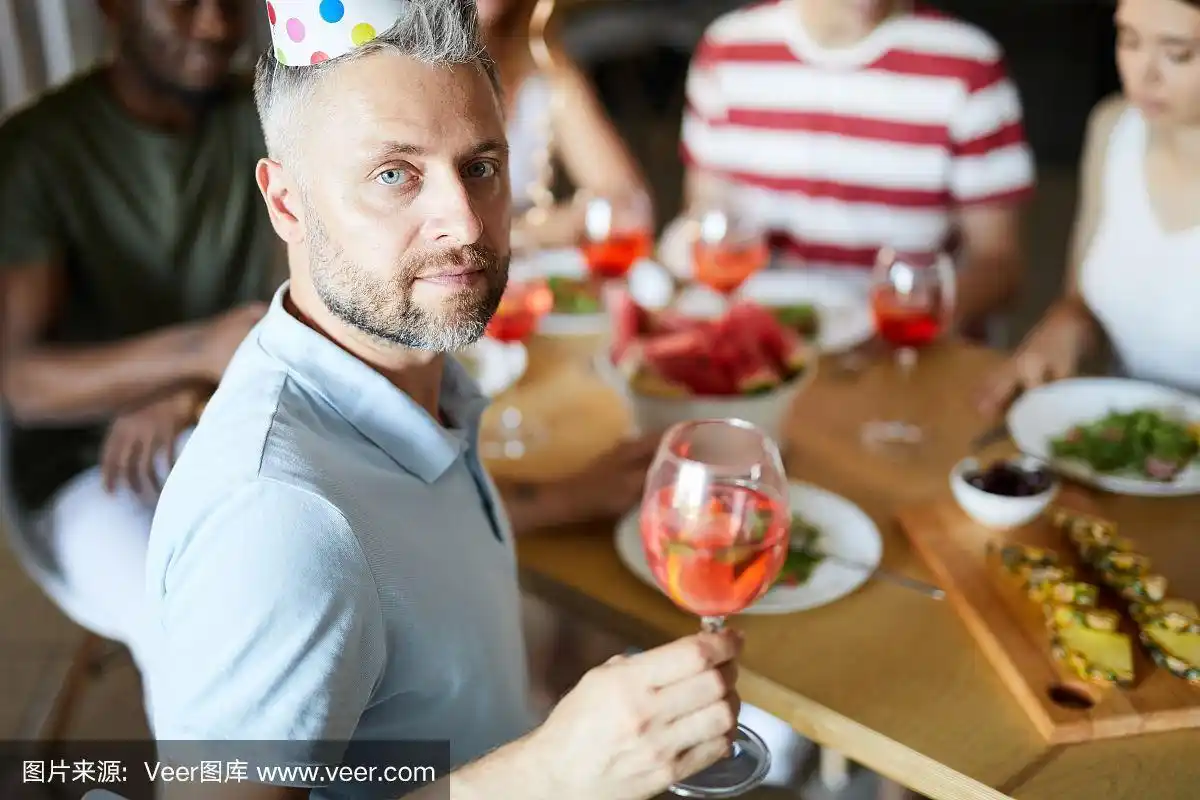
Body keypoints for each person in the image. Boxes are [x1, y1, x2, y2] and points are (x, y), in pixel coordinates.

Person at [142, 2, 742, 798]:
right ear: (287, 203)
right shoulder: (276, 525)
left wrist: (563, 497)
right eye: (395, 174)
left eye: (481, 167)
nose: (463, 222)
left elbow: (396, 535)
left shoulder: (414, 373)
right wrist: (552, 771)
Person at [0, 0, 277, 672]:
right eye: (183, 2)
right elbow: (23, 384)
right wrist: (199, 351)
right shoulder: (40, 150)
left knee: (319, 583)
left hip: (234, 419)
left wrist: (194, 394)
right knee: (190, 630)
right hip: (86, 463)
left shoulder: (266, 117)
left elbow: (318, 304)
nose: (215, 24)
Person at [670, 0, 1037, 334]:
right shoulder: (727, 48)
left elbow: (998, 264)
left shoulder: (969, 64)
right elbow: (706, 217)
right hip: (767, 336)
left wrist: (916, 314)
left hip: (903, 346)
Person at [978, 0, 1200, 410]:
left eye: (1178, 54)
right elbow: (1082, 296)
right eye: (1129, 41)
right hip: (1128, 433)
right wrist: (1067, 324)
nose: (1144, 74)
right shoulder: (1114, 129)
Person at [476, 0, 651, 248]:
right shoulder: (418, 78)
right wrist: (550, 226)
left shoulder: (546, 73)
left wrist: (523, 232)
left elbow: (629, 207)